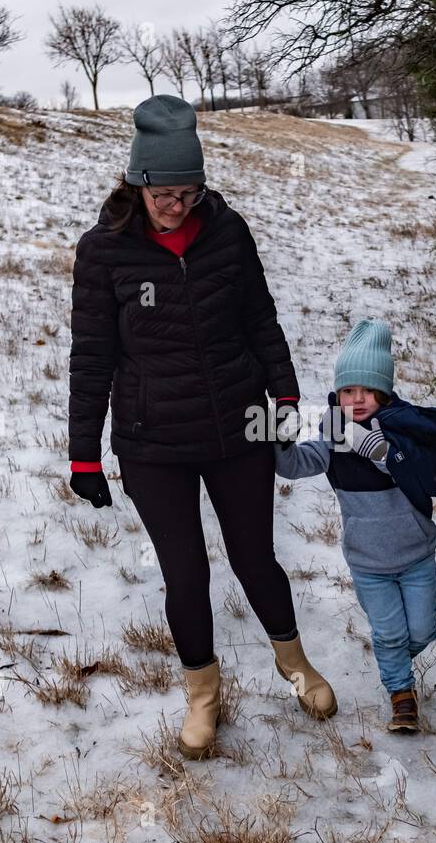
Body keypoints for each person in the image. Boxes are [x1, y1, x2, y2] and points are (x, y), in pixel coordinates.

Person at [66, 95, 336, 760]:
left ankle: (295, 666)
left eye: (189, 191)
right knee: (185, 576)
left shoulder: (228, 232)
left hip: (239, 425)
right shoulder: (104, 253)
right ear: (138, 183)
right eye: (165, 192)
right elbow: (91, 356)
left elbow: (261, 320)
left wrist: (285, 398)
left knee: (255, 559)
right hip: (152, 442)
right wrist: (83, 456)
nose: (177, 205)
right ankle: (204, 699)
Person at [274, 319, 436, 732]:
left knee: (423, 631)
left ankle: (394, 655)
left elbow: (424, 474)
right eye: (347, 391)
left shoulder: (403, 430)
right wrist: (278, 440)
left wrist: (380, 450)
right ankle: (401, 695)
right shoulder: (333, 439)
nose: (357, 399)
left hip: (416, 557)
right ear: (337, 393)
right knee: (391, 634)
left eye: (366, 391)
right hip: (368, 564)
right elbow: (295, 464)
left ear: (383, 392)